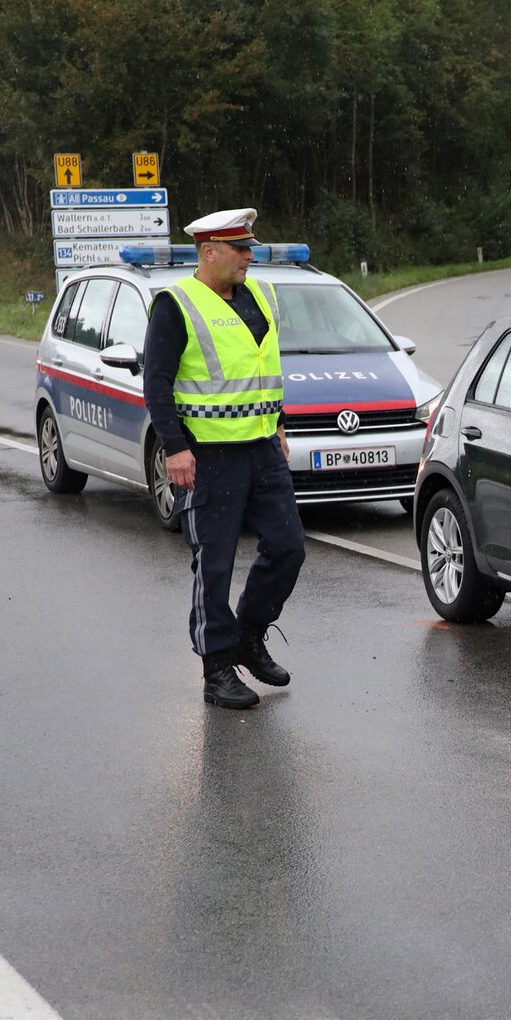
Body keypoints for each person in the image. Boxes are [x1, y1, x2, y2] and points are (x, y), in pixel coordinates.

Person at [142, 208, 305, 710]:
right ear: (208, 251)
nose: (249, 257)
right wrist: (175, 446)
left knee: (288, 548)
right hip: (208, 455)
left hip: (261, 447)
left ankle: (248, 636)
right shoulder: (177, 304)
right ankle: (216, 670)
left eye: (249, 248)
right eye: (240, 249)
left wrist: (277, 422)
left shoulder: (258, 295)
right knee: (214, 563)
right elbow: (157, 383)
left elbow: (263, 369)